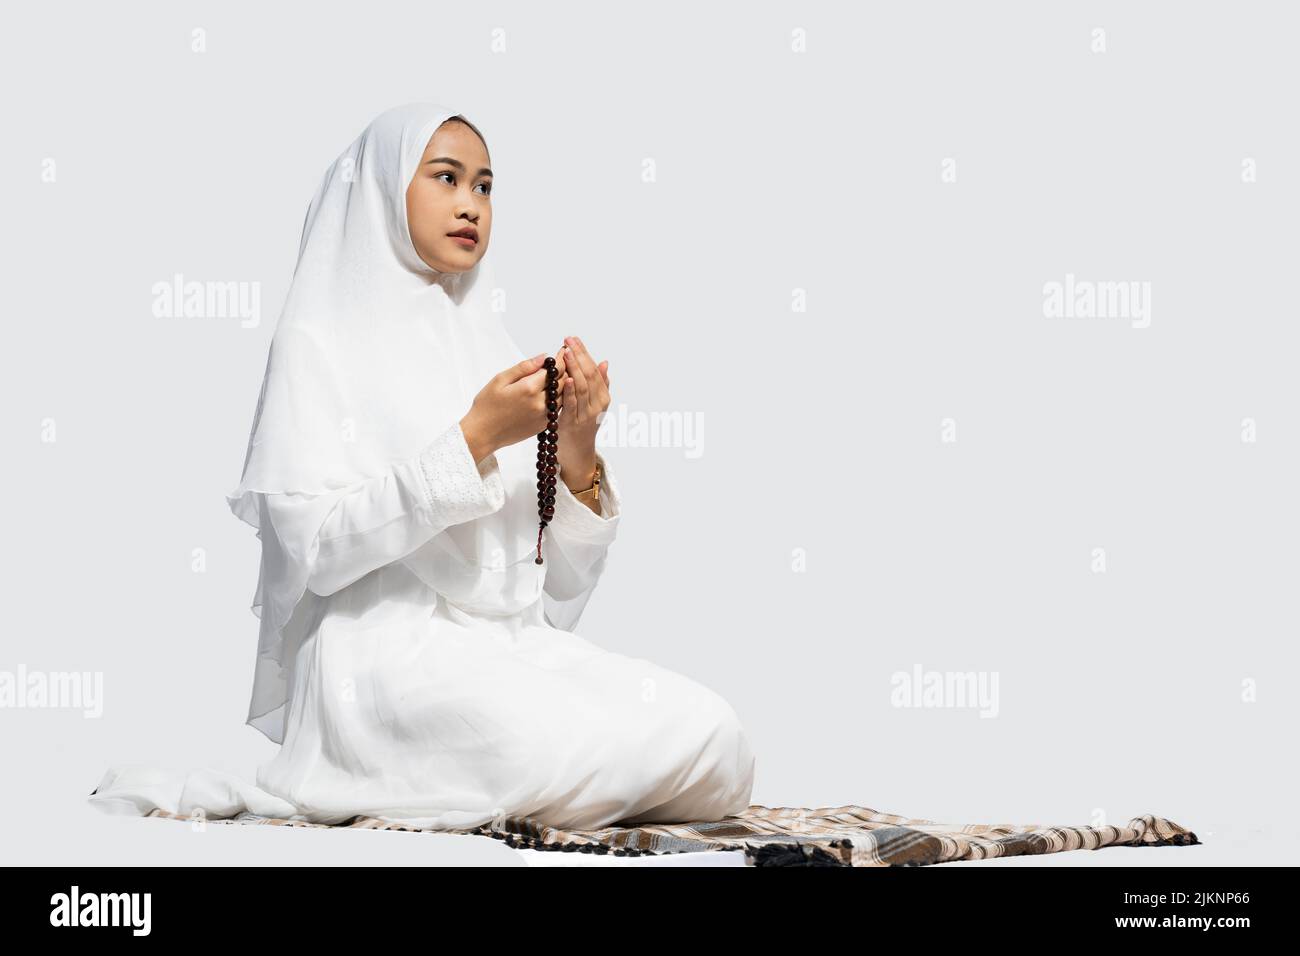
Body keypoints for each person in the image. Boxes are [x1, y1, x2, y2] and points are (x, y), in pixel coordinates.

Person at [87, 101, 756, 830]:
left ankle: (556, 770)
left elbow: (555, 590)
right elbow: (313, 555)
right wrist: (473, 438)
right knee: (548, 749)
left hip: (508, 654)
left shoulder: (489, 344)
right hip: (378, 666)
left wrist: (577, 447)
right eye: (446, 178)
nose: (471, 204)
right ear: (381, 189)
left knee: (716, 737)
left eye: (486, 186)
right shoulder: (320, 341)